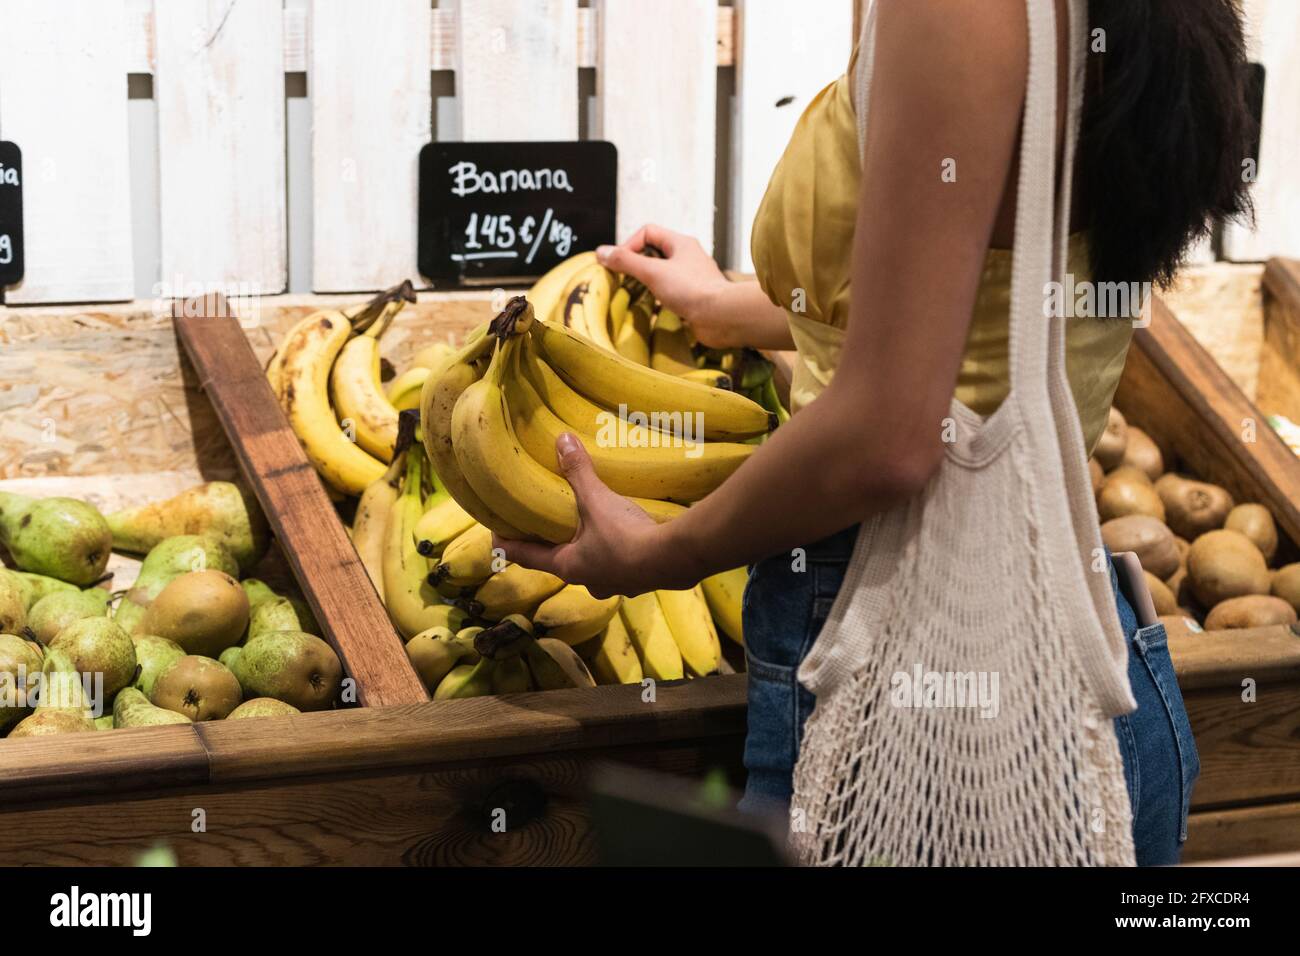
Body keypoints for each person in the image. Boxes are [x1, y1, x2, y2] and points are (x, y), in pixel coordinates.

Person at [500, 0, 1255, 865]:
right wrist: (731, 310)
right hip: (1072, 650)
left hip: (903, 658)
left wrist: (655, 556)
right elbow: (988, 296)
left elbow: (890, 440)